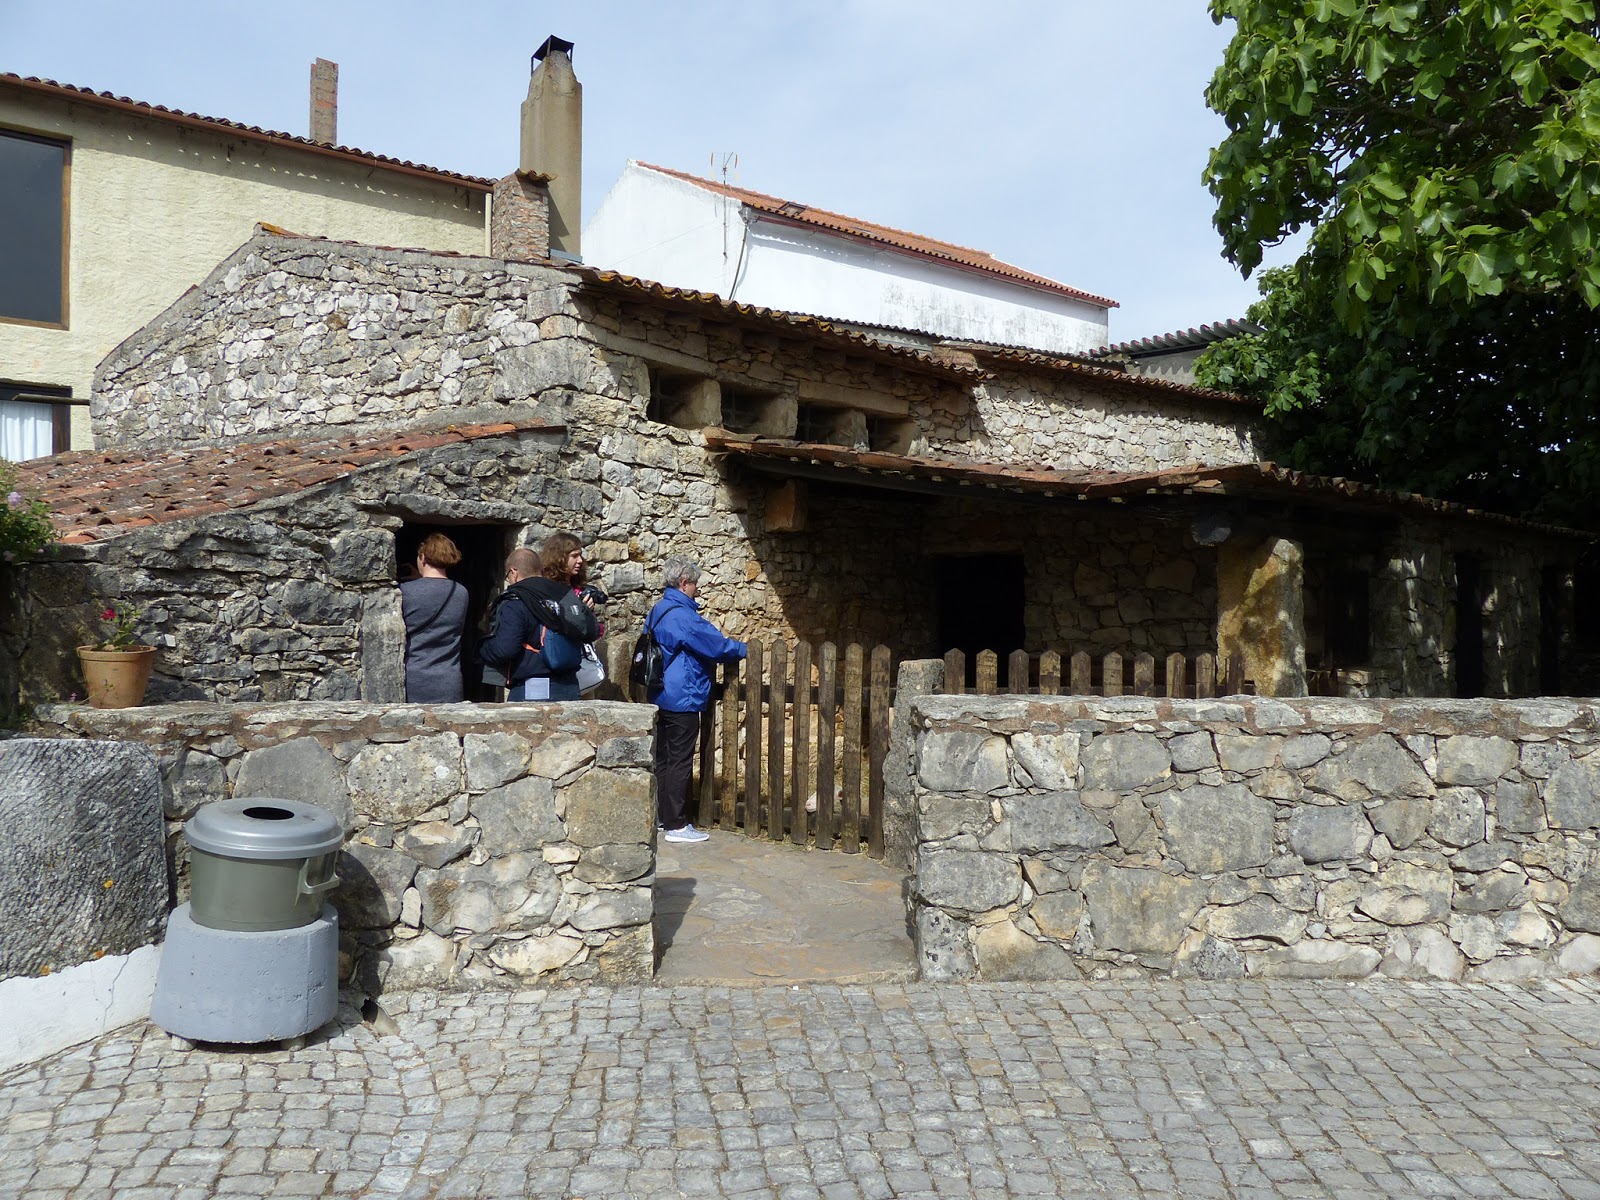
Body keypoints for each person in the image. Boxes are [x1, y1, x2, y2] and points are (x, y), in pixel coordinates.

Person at [645, 555, 747, 843]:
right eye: (695, 584)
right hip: (683, 695)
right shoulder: (682, 615)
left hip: (661, 693)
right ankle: (677, 824)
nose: (697, 590)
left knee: (664, 759)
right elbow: (714, 644)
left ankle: (664, 818)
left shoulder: (659, 610)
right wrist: (743, 649)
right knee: (679, 760)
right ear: (684, 582)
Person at [480, 539, 600, 701]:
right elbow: (592, 631)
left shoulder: (515, 601)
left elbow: (505, 649)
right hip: (570, 687)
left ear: (513, 572)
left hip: (532, 689)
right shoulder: (566, 594)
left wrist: (483, 648)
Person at [400, 533, 469, 703]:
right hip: (449, 679)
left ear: (423, 558)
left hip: (414, 678)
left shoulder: (405, 592)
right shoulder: (461, 592)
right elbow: (436, 593)